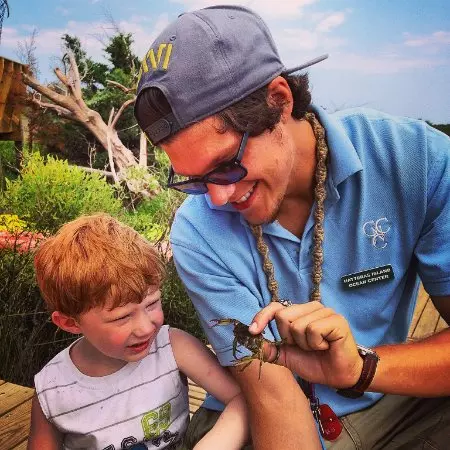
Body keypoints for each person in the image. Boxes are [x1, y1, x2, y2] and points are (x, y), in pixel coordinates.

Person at [134, 4, 450, 450]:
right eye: (195, 180)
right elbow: (271, 394)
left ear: (279, 100)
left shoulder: (416, 160)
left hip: (387, 405)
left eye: (224, 166)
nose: (219, 199)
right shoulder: (197, 231)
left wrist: (362, 369)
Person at [27, 213, 250, 450]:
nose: (146, 327)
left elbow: (243, 399)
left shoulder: (173, 346)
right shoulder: (52, 391)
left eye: (152, 304)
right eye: (122, 317)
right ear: (71, 323)